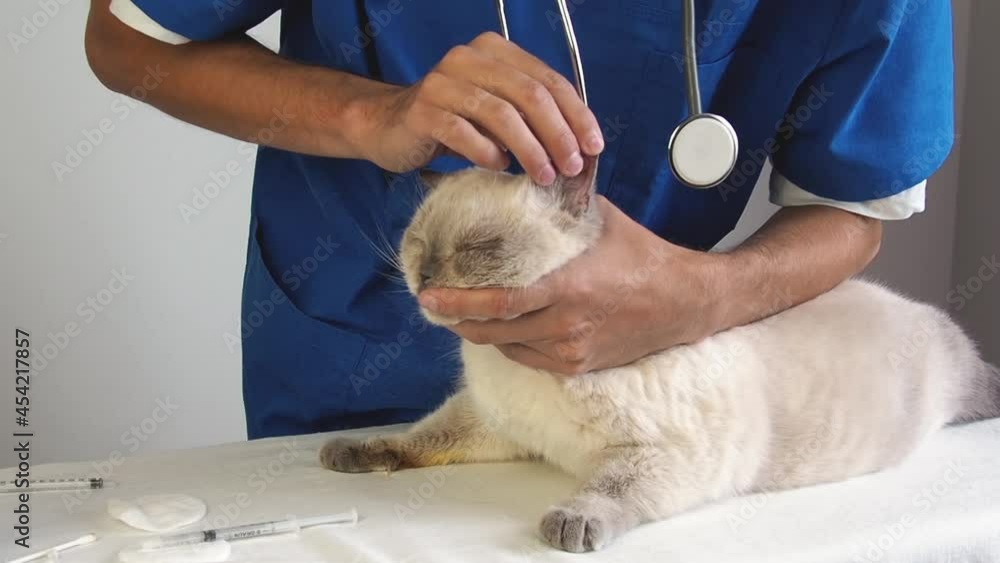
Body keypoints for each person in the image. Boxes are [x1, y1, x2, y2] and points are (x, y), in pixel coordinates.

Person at [85, 0, 955, 439]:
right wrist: (370, 116)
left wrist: (707, 295)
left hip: (633, 399)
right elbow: (123, 37)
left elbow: (854, 202)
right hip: (355, 364)